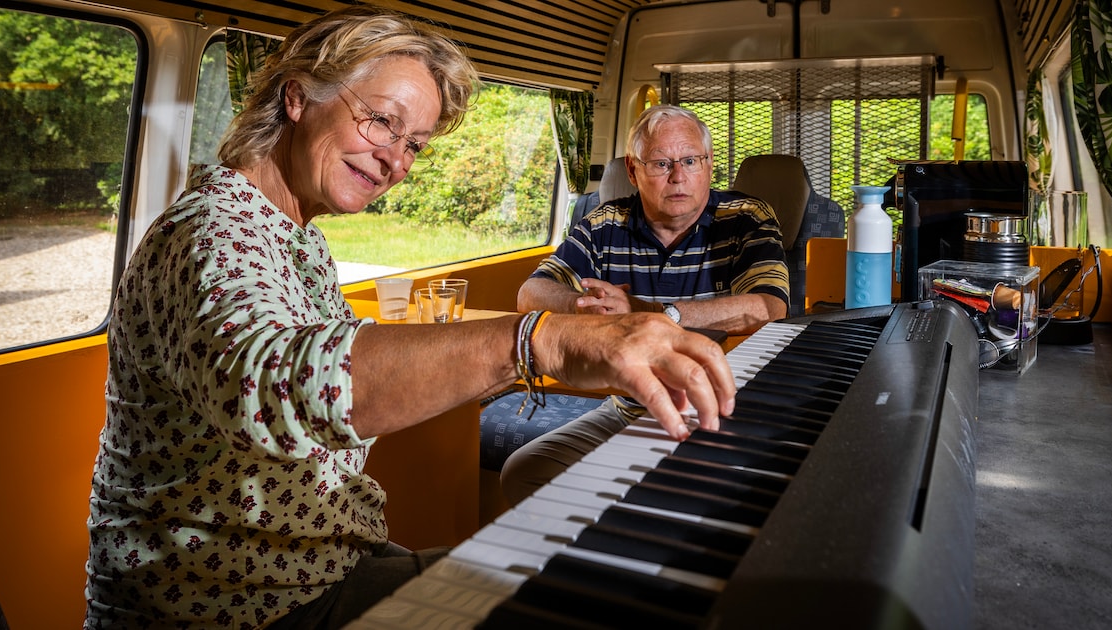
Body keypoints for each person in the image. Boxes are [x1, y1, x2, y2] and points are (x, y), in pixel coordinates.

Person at [82, 8, 736, 629]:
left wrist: (566, 364)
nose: (396, 160)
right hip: (241, 607)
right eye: (381, 122)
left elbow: (335, 392)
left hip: (326, 566)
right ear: (298, 95)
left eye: (414, 144)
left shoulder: (297, 237)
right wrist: (541, 342)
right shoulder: (209, 230)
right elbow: (275, 381)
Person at [501, 104, 789, 505]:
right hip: (626, 410)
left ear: (708, 165)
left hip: (723, 412)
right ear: (634, 171)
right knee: (526, 472)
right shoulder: (604, 224)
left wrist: (649, 314)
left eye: (690, 160)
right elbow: (531, 293)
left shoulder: (745, 216)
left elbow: (768, 307)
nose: (678, 176)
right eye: (661, 163)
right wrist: (586, 305)